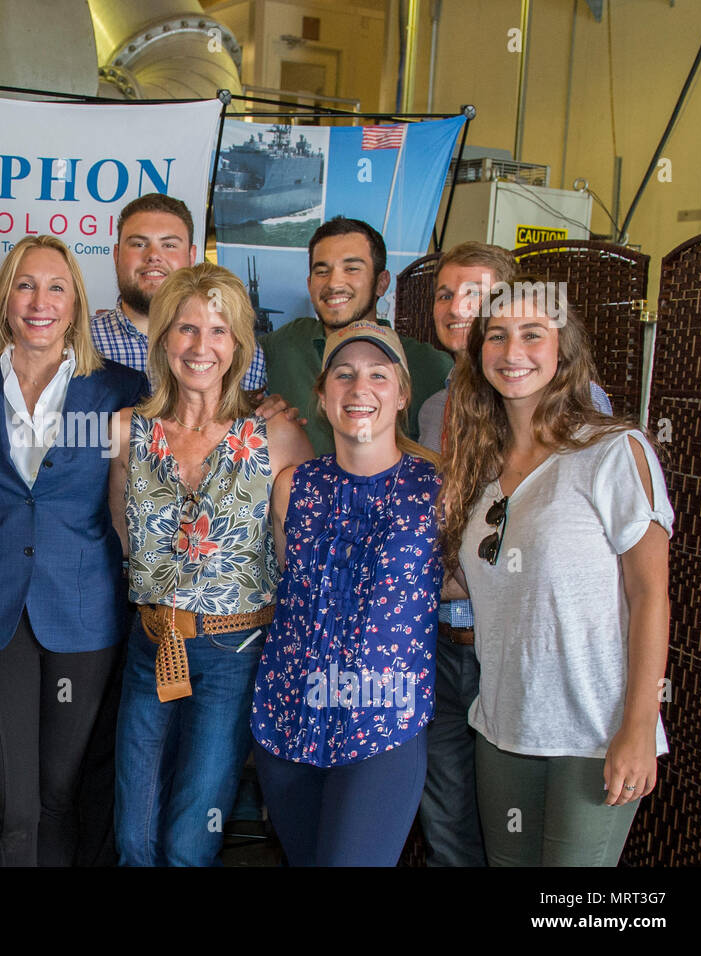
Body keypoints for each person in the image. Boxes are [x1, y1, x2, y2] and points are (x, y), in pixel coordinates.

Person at [437, 278, 671, 867]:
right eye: (497, 336)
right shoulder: (477, 467)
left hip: (594, 732)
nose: (513, 353)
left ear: (563, 350)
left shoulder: (613, 451)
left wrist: (638, 726)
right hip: (502, 728)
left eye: (532, 335)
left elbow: (650, 594)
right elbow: (475, 580)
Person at [0, 235, 144, 866]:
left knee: (59, 796)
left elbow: (202, 414)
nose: (40, 301)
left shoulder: (119, 391)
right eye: (26, 285)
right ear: (5, 299)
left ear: (77, 303)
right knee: (15, 804)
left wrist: (266, 409)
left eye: (56, 287)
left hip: (81, 613)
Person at [416, 243, 614, 867]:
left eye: (473, 294)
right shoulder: (431, 408)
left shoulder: (585, 417)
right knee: (452, 825)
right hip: (444, 650)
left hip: (538, 664)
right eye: (445, 294)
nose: (456, 308)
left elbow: (603, 563)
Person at [108, 263, 312, 866]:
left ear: (239, 344)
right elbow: (122, 531)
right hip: (150, 644)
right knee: (133, 840)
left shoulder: (274, 434)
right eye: (186, 329)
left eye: (218, 331)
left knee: (188, 841)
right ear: (164, 338)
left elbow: (297, 552)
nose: (201, 347)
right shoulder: (126, 430)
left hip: (235, 653)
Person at [251, 321, 441, 866]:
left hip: (383, 724)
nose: (360, 389)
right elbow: (288, 585)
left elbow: (457, 582)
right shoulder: (293, 486)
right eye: (344, 374)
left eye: (379, 375)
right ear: (322, 394)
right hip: (288, 723)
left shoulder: (439, 490)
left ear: (403, 394)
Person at [259, 216, 452, 456]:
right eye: (322, 271)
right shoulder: (284, 344)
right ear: (309, 285)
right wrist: (257, 408)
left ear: (382, 283)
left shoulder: (430, 366)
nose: (334, 282)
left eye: (351, 269)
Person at [91, 192, 267, 388]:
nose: (154, 256)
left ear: (192, 256)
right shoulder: (79, 342)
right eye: (139, 244)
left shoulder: (242, 352)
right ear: (116, 255)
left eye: (169, 245)